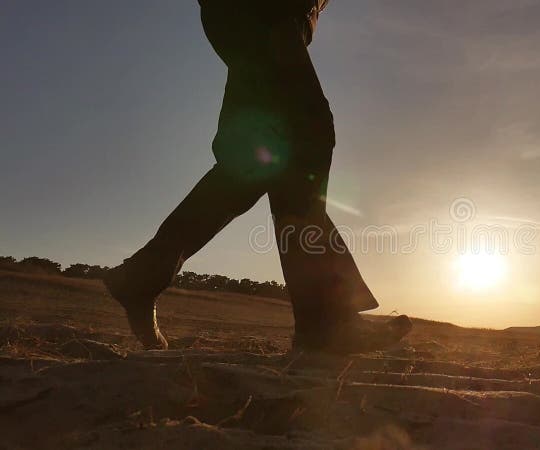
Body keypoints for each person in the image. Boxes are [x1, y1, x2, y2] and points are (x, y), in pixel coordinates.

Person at [103, 0, 412, 353]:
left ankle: (141, 277)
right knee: (305, 136)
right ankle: (324, 320)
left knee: (253, 164)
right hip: (267, 14)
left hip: (261, 18)